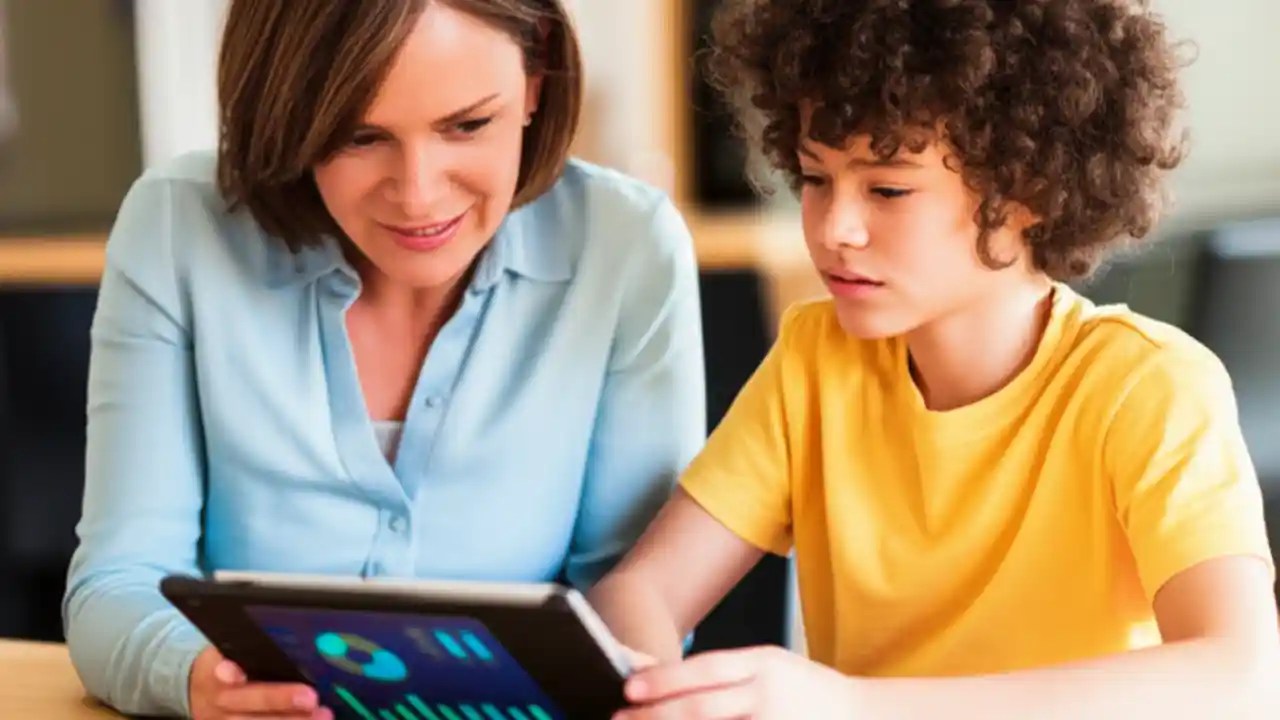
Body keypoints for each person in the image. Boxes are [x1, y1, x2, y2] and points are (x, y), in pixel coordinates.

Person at [589, 1, 1279, 718]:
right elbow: (640, 594)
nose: (835, 229)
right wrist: (648, 682)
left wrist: (853, 706)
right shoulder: (815, 359)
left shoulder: (1149, 385)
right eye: (815, 178)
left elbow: (1243, 678)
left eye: (888, 189)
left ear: (1030, 189)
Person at [63, 1, 706, 718]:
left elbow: (634, 596)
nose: (419, 194)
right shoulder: (177, 228)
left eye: (467, 125)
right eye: (358, 136)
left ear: (535, 76)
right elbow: (118, 583)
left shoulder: (626, 246)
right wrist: (197, 679)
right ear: (287, 115)